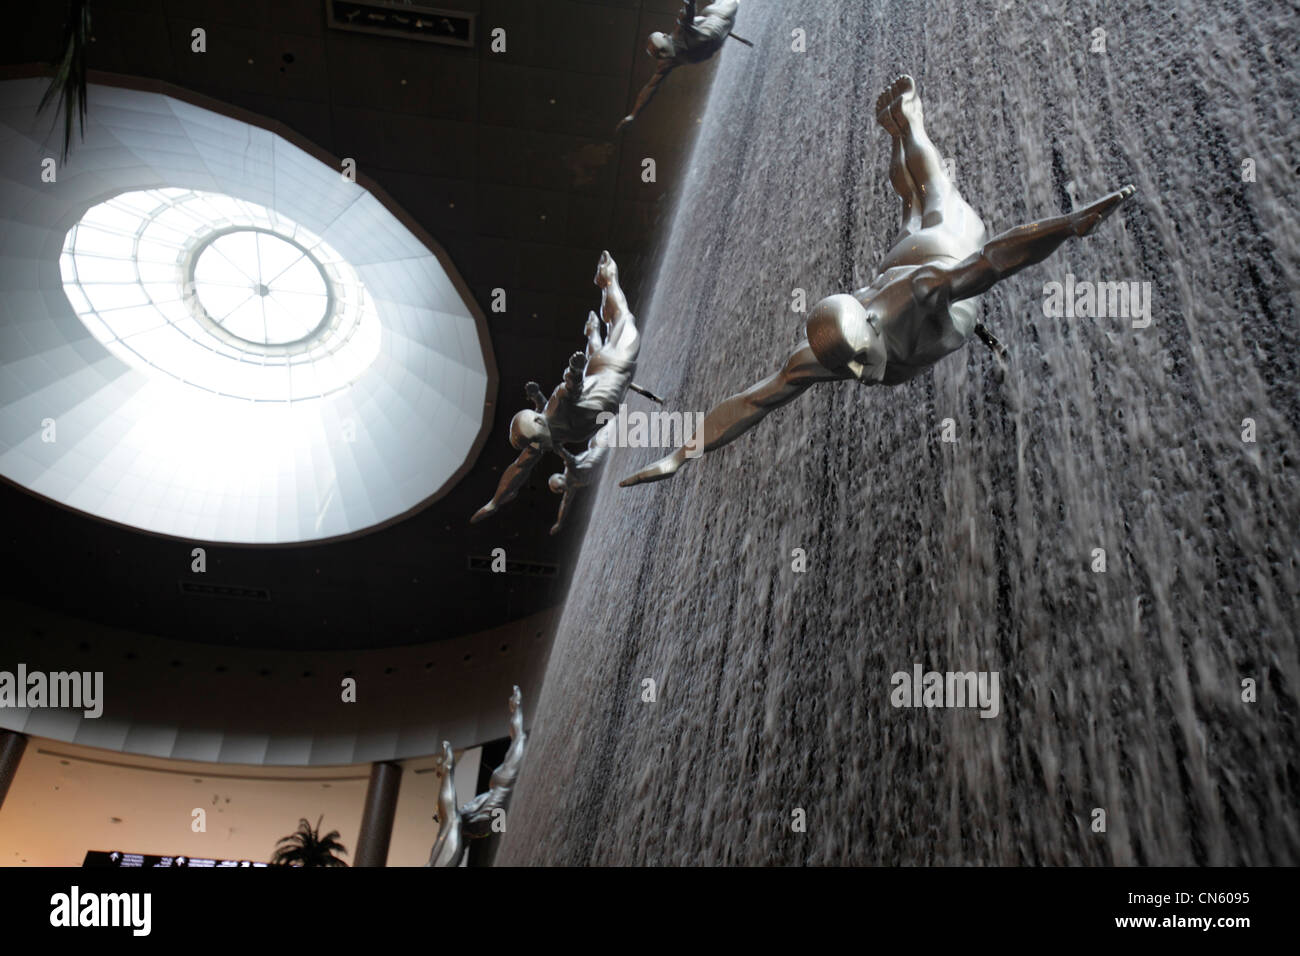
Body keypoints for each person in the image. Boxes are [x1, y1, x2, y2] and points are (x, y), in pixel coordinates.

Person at [620, 75, 1135, 488]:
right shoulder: (822, 356)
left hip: (943, 247)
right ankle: (899, 132)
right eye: (845, 365)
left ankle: (910, 125)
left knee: (935, 199)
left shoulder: (921, 290)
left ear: (869, 322)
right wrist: (679, 456)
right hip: (897, 261)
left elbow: (995, 259)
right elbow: (753, 400)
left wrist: (1071, 225)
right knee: (913, 207)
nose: (860, 375)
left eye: (860, 358)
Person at [471, 252, 643, 525]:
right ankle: (595, 322)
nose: (539, 447)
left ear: (538, 421)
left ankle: (607, 279)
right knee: (617, 325)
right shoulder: (540, 441)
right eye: (534, 444)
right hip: (605, 377)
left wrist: (574, 372)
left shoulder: (552, 412)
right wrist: (495, 502)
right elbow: (517, 470)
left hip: (610, 371)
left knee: (622, 320)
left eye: (536, 439)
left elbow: (568, 390)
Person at [427, 687, 527, 868]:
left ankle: (517, 706)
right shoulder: (467, 830)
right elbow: (451, 818)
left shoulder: (461, 829)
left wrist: (447, 774)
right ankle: (516, 707)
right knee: (519, 740)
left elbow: (451, 819)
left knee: (520, 740)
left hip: (500, 792)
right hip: (498, 794)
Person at [615, 0, 747, 133]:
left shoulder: (669, 60)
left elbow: (650, 87)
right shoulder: (677, 38)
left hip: (717, 25)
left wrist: (634, 114)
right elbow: (688, 14)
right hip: (718, 20)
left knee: (706, 14)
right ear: (665, 37)